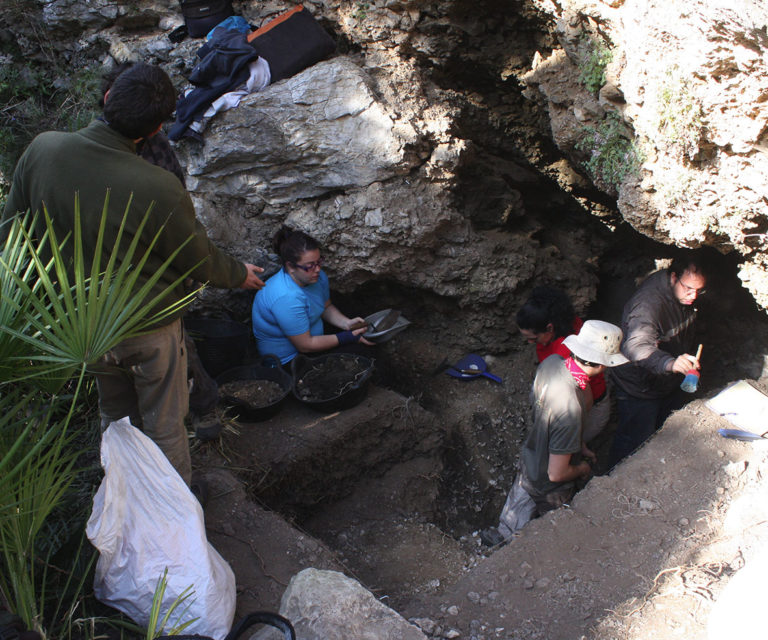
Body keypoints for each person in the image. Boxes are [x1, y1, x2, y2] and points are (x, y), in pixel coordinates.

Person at [2, 63, 265, 486]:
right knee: (165, 424)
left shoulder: (42, 150)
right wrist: (238, 274)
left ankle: (123, 499)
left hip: (82, 322)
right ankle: (173, 512)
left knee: (115, 416)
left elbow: (11, 237)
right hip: (148, 326)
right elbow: (198, 259)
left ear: (108, 98)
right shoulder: (157, 185)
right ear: (156, 128)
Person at [481, 320, 628, 546]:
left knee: (517, 509)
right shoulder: (570, 407)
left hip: (530, 458)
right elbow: (556, 474)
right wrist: (582, 468)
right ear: (602, 365)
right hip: (551, 487)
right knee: (550, 535)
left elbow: (541, 411)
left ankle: (502, 538)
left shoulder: (551, 363)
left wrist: (579, 445)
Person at [609, 254, 707, 465]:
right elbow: (636, 346)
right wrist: (670, 363)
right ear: (673, 277)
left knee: (661, 433)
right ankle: (616, 479)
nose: (693, 296)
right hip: (639, 386)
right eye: (689, 288)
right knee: (633, 443)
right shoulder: (648, 305)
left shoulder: (681, 294)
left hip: (666, 380)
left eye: (699, 290)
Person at [252, 226, 372, 364]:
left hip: (312, 338)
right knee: (361, 356)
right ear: (290, 267)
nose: (318, 269)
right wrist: (347, 337)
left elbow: (325, 306)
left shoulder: (315, 277)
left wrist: (347, 324)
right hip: (289, 360)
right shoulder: (286, 297)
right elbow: (305, 345)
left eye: (319, 262)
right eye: (310, 265)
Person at [517, 286, 610, 443]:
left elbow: (585, 398)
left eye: (533, 338)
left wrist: (576, 433)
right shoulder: (564, 321)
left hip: (588, 409)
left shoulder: (565, 354)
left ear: (549, 328)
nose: (530, 342)